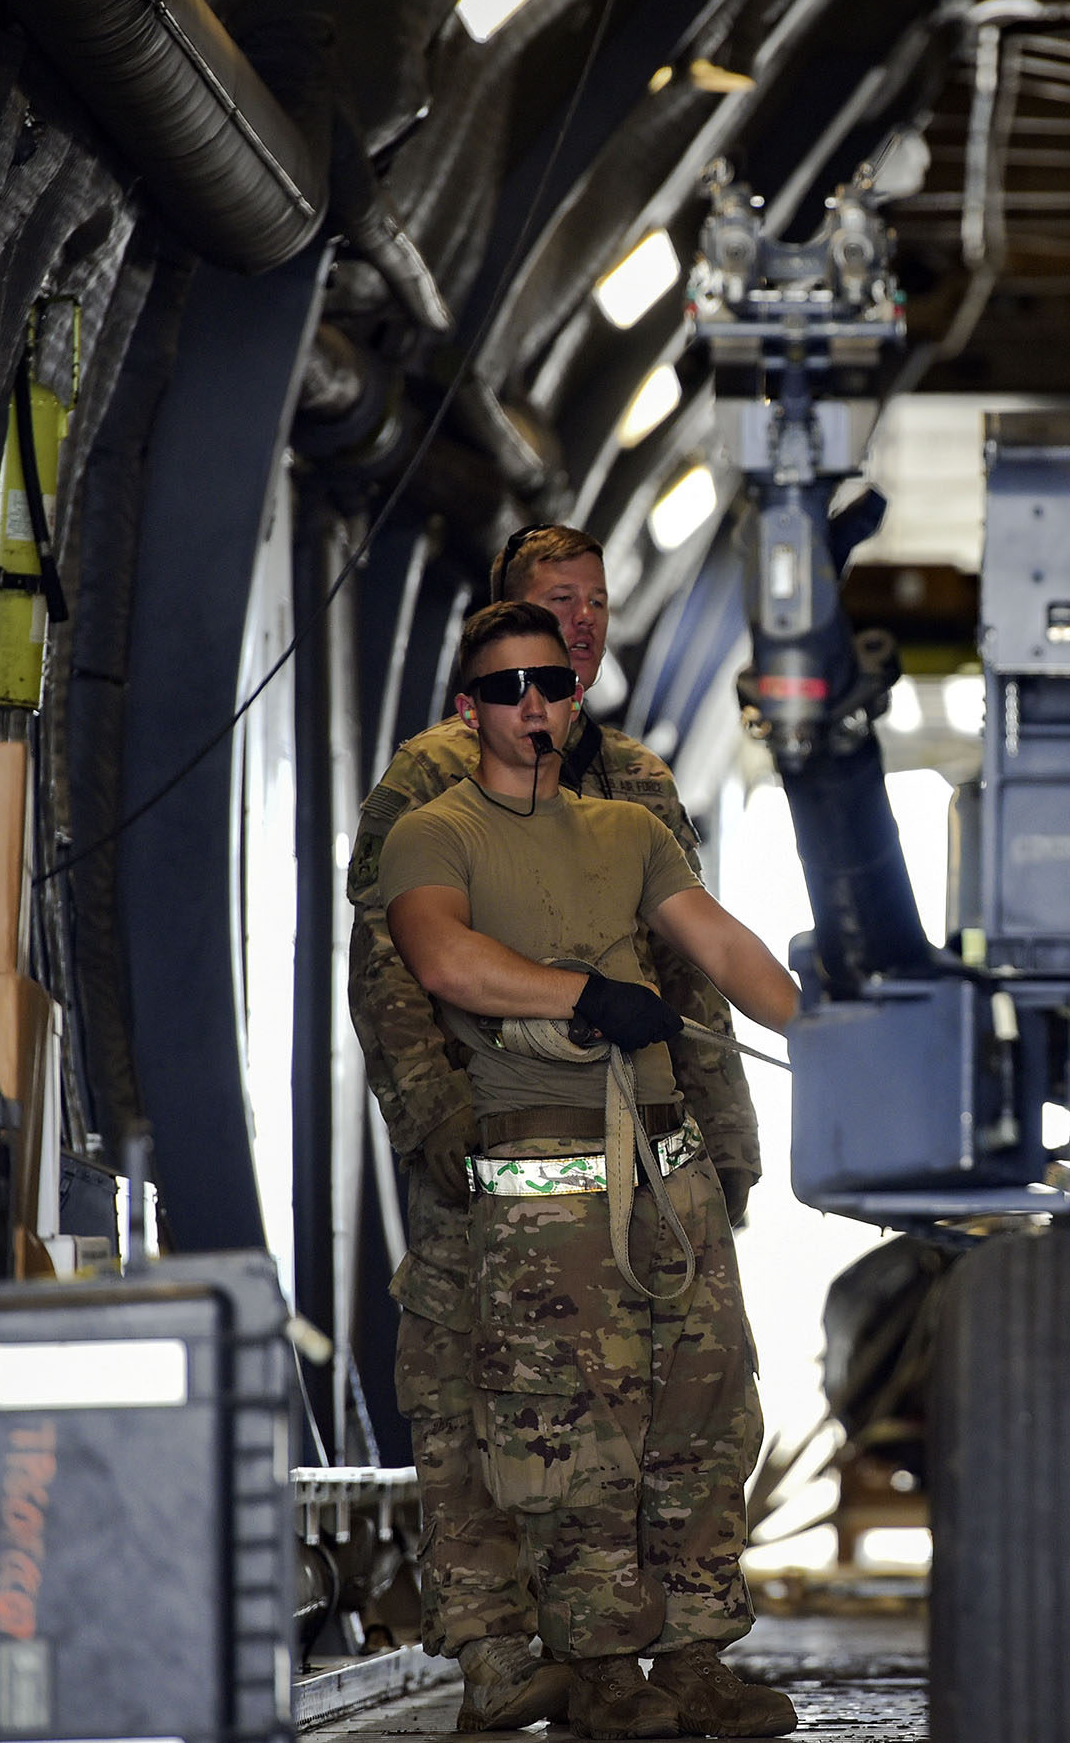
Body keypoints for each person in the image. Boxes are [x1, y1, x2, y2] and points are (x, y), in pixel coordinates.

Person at [346, 527, 783, 1736]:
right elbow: (395, 965)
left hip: (643, 1143)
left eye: (591, 610)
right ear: (498, 633)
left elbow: (694, 976)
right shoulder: (432, 788)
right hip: (497, 1142)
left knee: (686, 1400)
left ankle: (673, 1655)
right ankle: (503, 1650)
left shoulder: (636, 786)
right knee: (489, 1402)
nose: (578, 628)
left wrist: (721, 1134)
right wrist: (436, 1116)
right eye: (554, 606)